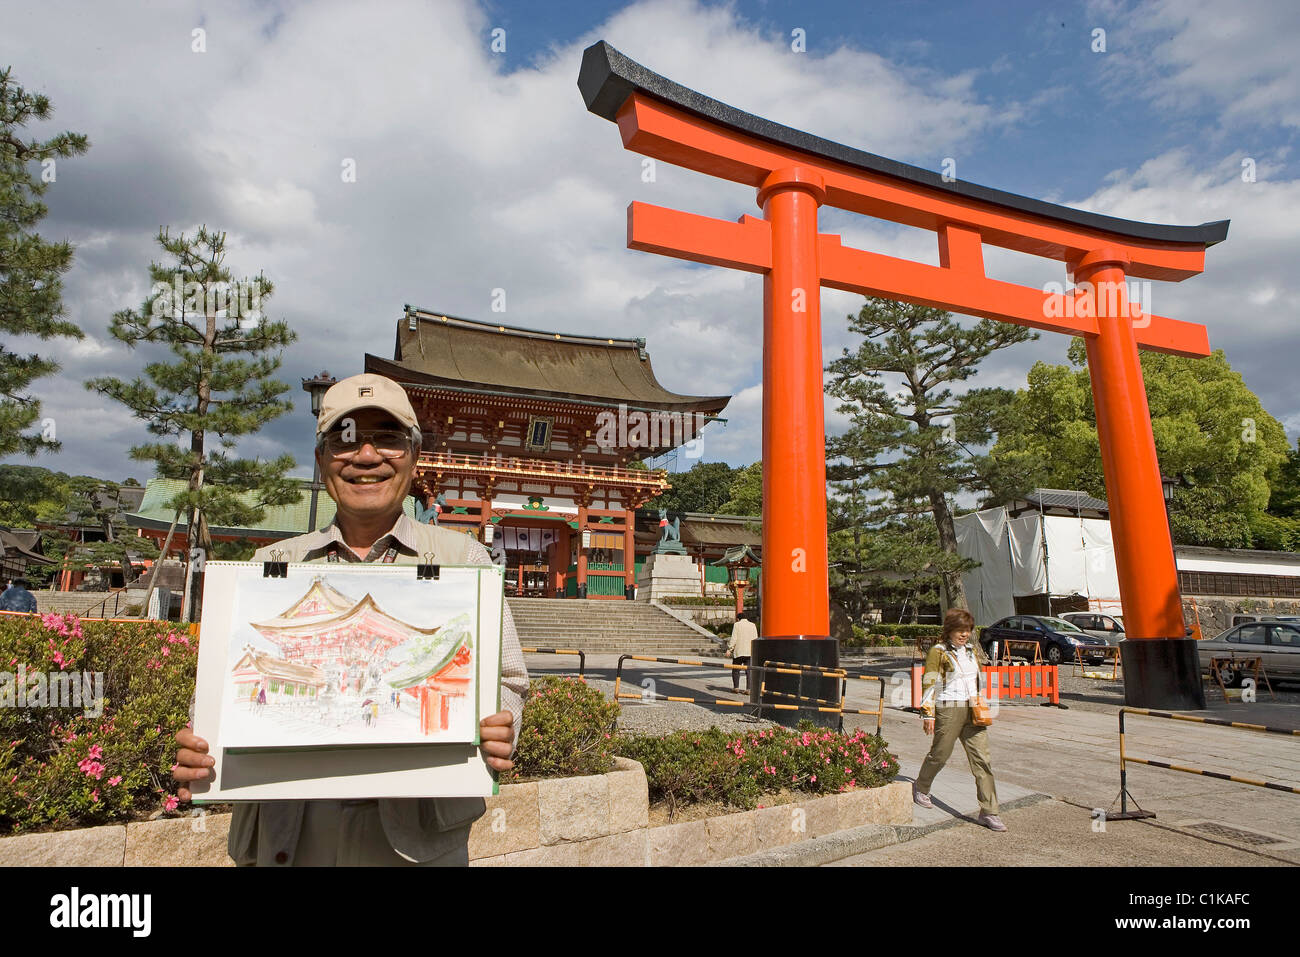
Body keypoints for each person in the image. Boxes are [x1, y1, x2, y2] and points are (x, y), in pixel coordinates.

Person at [172, 373, 529, 866]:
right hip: (290, 830)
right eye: (343, 440)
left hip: (417, 836)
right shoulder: (269, 569)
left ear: (415, 456)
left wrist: (503, 723)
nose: (365, 456)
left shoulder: (465, 563)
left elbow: (509, 679)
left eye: (388, 438)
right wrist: (201, 740)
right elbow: (227, 686)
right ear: (321, 461)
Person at [912, 607, 1005, 832]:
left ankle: (989, 811)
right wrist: (928, 713)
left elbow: (977, 679)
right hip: (948, 707)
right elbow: (929, 681)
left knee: (982, 759)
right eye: (959, 630)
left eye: (967, 630)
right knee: (940, 754)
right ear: (949, 630)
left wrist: (983, 702)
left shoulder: (972, 651)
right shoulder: (938, 651)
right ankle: (921, 787)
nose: (964, 634)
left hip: (972, 709)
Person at [726, 614, 756, 693]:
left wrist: (730, 649)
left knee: (736, 670)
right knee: (749, 671)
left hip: (739, 651)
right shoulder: (753, 625)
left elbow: (734, 638)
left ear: (738, 619)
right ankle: (749, 689)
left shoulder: (737, 625)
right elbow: (755, 638)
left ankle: (736, 688)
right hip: (750, 651)